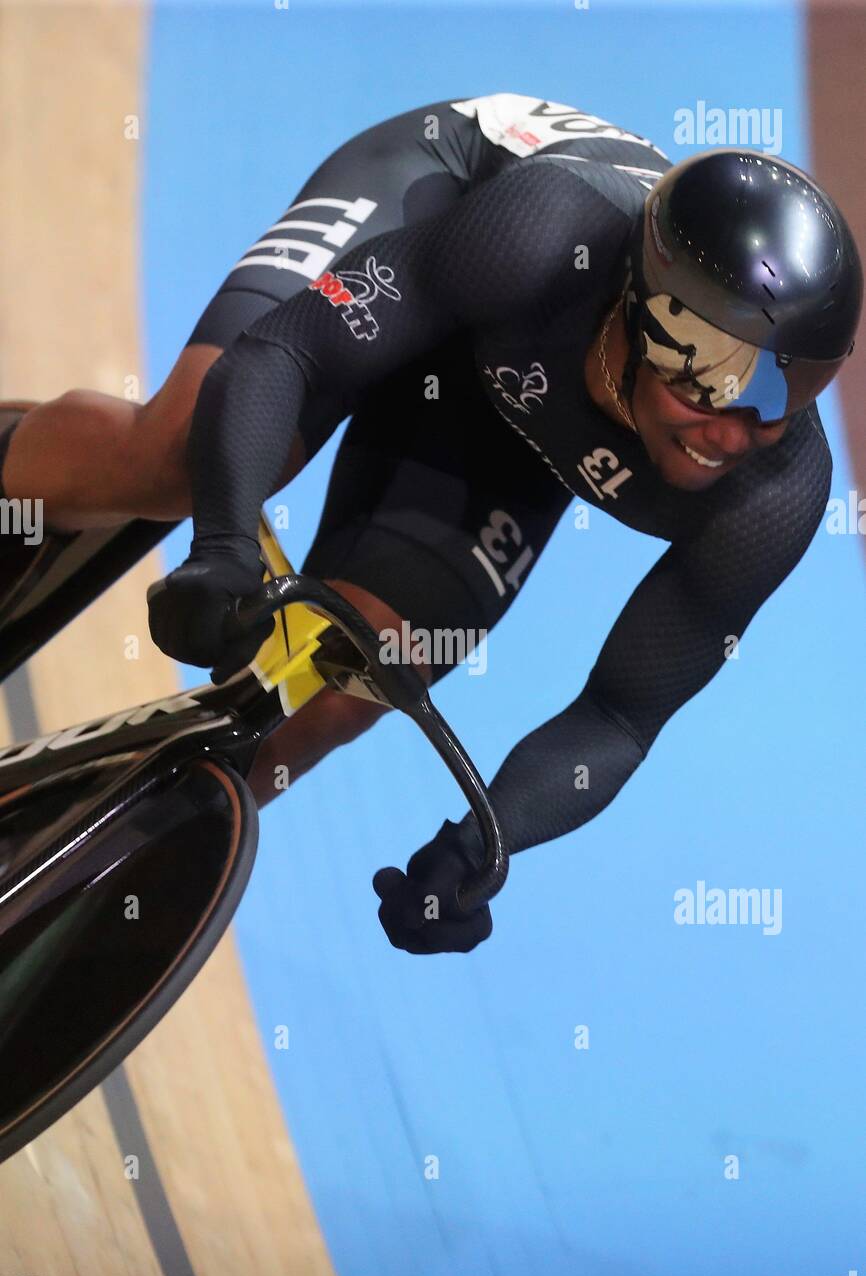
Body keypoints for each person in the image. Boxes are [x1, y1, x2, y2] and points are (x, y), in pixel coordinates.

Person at [1, 95, 861, 954]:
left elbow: (619, 719)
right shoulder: (538, 232)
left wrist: (482, 847)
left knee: (350, 682)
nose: (740, 433)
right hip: (452, 209)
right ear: (646, 316)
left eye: (794, 391)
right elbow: (287, 353)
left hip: (519, 398)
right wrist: (224, 542)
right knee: (178, 460)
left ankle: (60, 879)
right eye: (719, 381)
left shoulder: (774, 494)